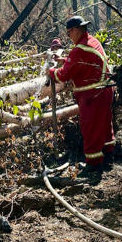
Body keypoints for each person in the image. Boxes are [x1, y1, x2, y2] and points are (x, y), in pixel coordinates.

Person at [48, 16, 115, 170]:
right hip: (104, 91)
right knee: (104, 126)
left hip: (92, 95)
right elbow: (83, 62)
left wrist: (51, 71)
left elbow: (63, 75)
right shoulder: (92, 41)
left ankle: (93, 165)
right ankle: (108, 157)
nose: (68, 36)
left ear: (76, 30)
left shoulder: (79, 50)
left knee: (90, 128)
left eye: (69, 32)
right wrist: (65, 60)